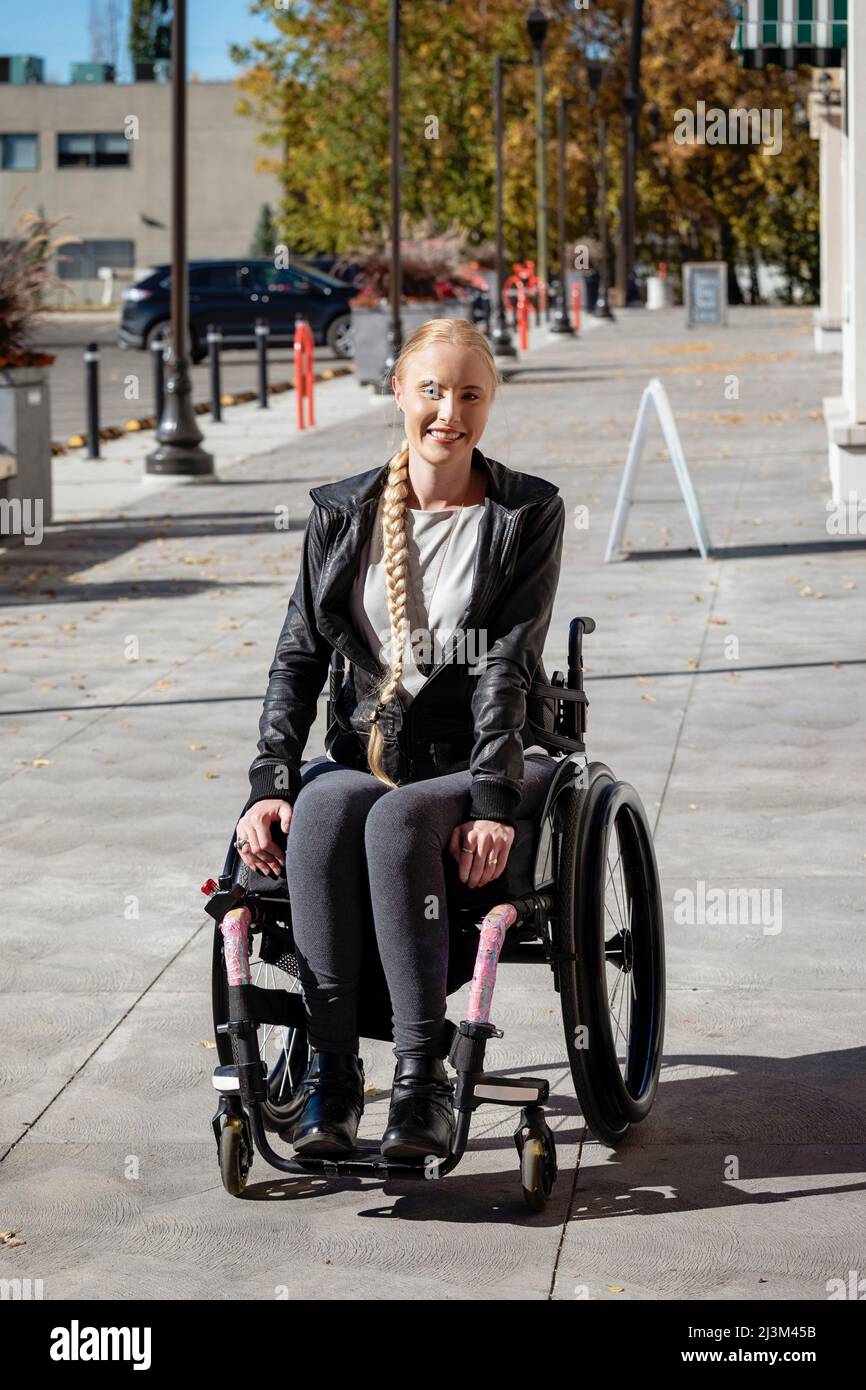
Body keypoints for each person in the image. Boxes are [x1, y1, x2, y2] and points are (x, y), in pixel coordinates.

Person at [233, 317, 566, 1162]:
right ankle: (333, 1081)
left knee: (396, 824)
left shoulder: (525, 512)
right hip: (366, 755)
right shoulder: (341, 512)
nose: (447, 410)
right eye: (431, 389)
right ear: (397, 392)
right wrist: (271, 779)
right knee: (323, 814)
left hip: (481, 757)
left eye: (468, 393)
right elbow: (298, 657)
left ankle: (422, 1082)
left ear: (489, 404)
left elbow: (508, 668)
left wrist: (492, 799)